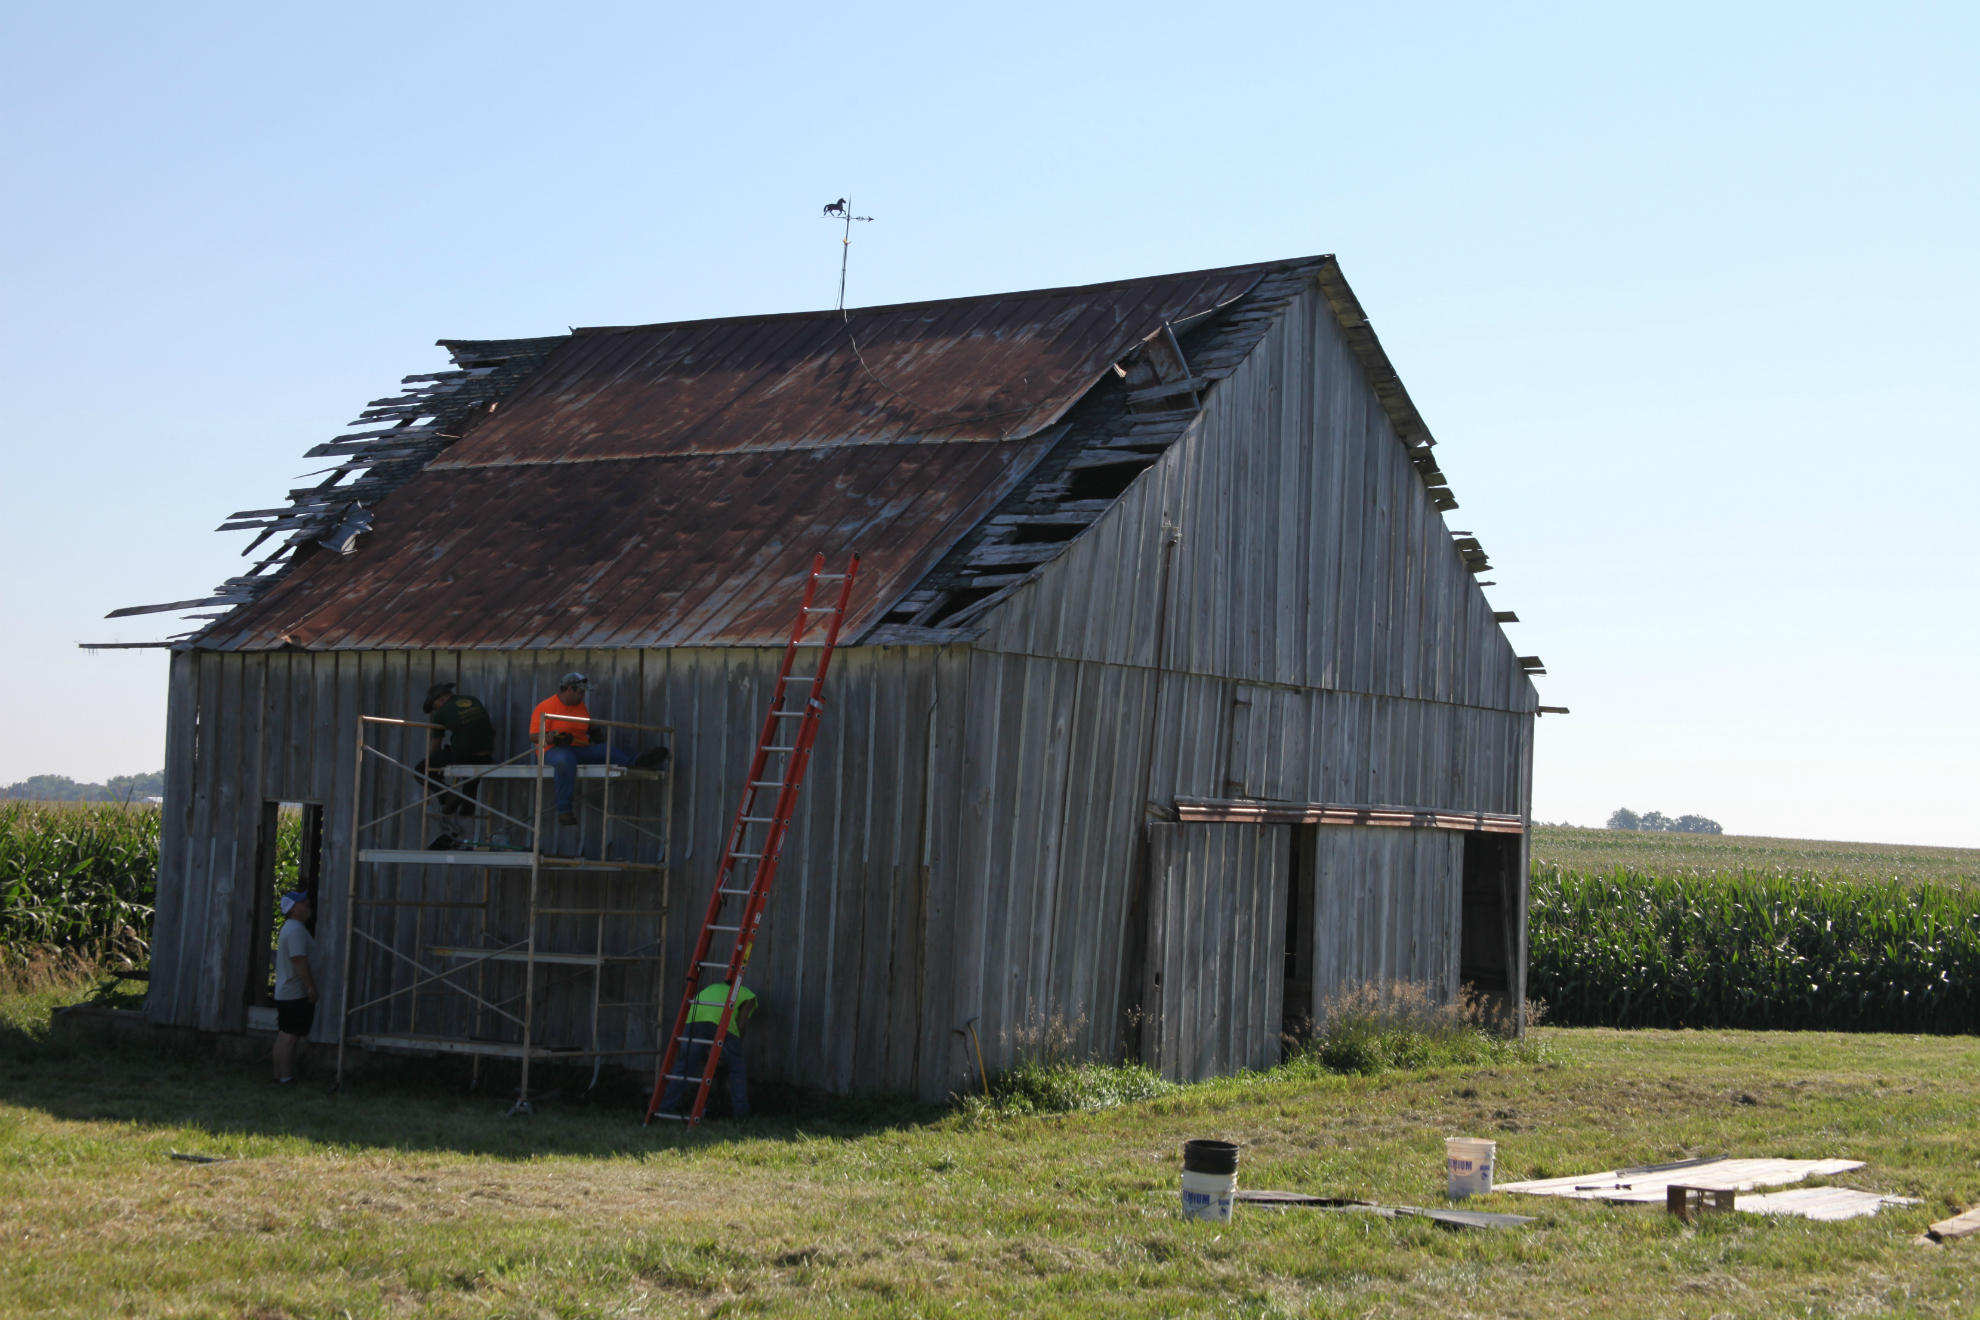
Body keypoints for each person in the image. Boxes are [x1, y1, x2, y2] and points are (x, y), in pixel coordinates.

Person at [529, 672, 666, 825]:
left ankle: (638, 760)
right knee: (565, 760)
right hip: (553, 751)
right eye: (580, 692)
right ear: (569, 690)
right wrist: (552, 737)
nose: (582, 696)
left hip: (580, 749)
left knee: (603, 750)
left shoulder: (580, 706)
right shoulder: (545, 706)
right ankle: (564, 810)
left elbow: (588, 725)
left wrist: (595, 733)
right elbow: (533, 736)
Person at [657, 980, 757, 1119]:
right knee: (736, 1067)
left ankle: (665, 1108)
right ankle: (741, 1113)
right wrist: (735, 1047)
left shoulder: (712, 988)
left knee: (684, 1067)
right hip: (721, 1021)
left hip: (694, 1019)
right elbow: (740, 1025)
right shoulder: (749, 996)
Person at [416, 681, 495, 816]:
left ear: (440, 700)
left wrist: (433, 764)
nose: (435, 710)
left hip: (464, 754)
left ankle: (448, 797)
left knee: (421, 771)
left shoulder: (441, 713)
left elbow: (435, 745)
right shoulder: (473, 700)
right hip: (486, 755)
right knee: (471, 770)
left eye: (434, 706)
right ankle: (468, 807)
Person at [272, 890, 318, 1085]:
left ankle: (281, 1075)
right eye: (303, 902)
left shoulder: (290, 928)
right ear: (293, 908)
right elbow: (299, 960)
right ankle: (285, 1077)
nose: (308, 904)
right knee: (289, 1037)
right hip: (294, 992)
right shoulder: (296, 930)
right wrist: (310, 987)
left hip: (287, 990)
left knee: (285, 1035)